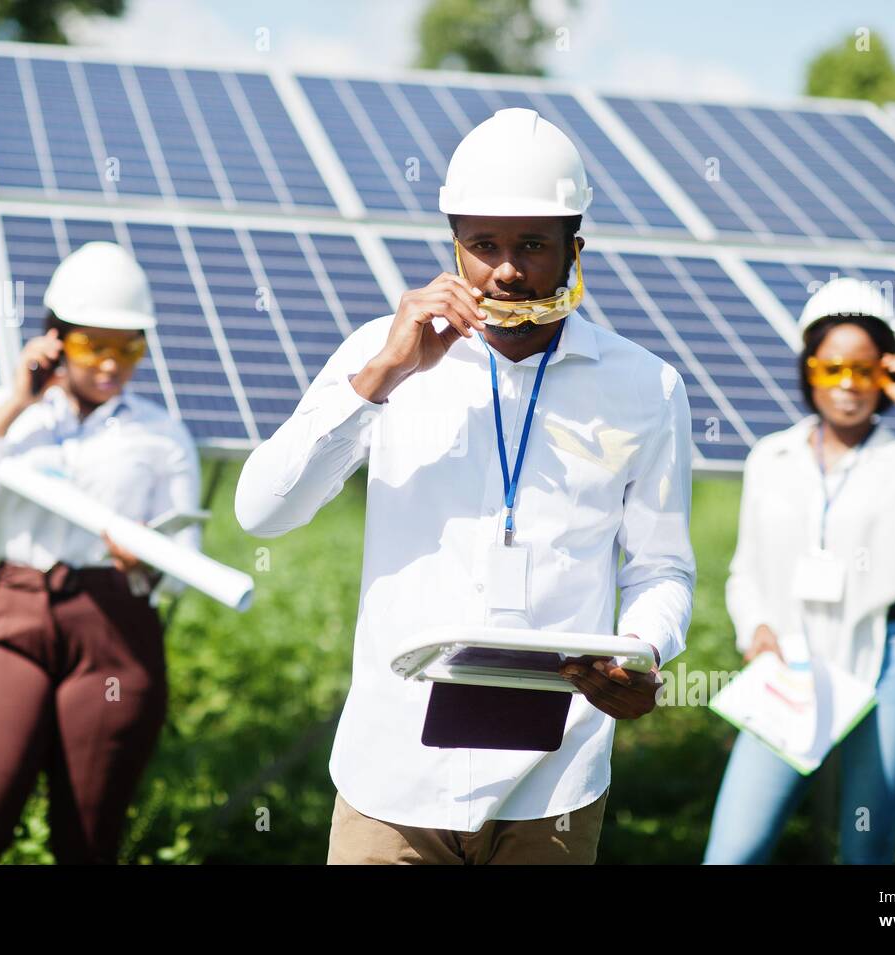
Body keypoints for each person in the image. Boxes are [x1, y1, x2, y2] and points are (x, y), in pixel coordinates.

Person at [235, 108, 696, 865]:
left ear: (574, 250)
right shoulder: (379, 358)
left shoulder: (646, 386)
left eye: (533, 246)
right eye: (483, 246)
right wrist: (381, 375)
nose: (506, 271)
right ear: (455, 246)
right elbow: (261, 512)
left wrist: (643, 650)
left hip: (553, 786)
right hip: (392, 783)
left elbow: (661, 566)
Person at [0, 241, 201, 864]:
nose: (113, 364)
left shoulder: (162, 435)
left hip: (115, 628)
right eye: (96, 345)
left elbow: (183, 565)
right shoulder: (2, 410)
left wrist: (144, 564)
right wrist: (16, 404)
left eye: (130, 346)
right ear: (55, 340)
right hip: (15, 614)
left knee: (87, 843)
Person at [703, 277, 895, 865]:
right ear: (808, 370)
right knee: (732, 851)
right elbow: (744, 571)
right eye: (831, 369)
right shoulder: (770, 458)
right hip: (792, 667)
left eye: (865, 370)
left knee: (866, 850)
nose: (848, 385)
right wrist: (757, 632)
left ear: (887, 374)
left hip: (886, 658)